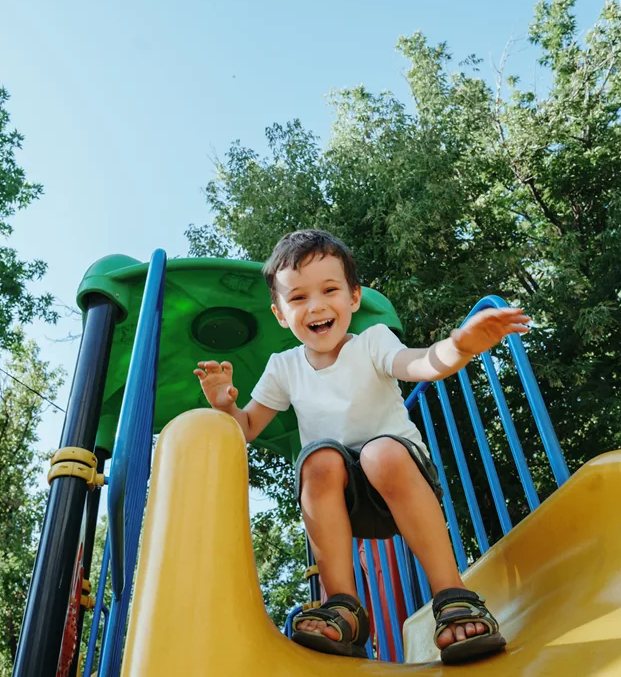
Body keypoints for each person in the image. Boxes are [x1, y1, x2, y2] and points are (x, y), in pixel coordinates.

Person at [193, 229, 529, 664]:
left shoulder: (373, 342)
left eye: (329, 290)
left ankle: (453, 594)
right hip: (342, 502)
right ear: (280, 313)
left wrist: (458, 346)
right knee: (318, 459)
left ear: (353, 297)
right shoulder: (283, 367)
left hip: (400, 479)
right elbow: (248, 427)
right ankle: (344, 609)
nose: (315, 306)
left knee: (379, 452)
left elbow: (420, 364)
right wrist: (225, 406)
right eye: (297, 299)